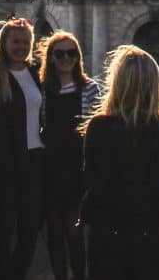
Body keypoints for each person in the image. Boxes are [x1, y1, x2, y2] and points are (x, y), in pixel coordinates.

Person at [80, 44, 159, 280]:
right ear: (155, 83)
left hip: (108, 229)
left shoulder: (99, 127)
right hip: (152, 227)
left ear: (117, 82)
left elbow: (93, 178)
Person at [0, 17, 45, 280]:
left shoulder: (36, 71)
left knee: (30, 228)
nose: (21, 47)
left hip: (34, 158)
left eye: (26, 42)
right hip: (4, 163)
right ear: (4, 42)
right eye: (16, 41)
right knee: (4, 230)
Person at [35, 30, 97, 280]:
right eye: (59, 54)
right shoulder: (41, 91)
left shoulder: (90, 89)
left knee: (74, 232)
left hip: (76, 169)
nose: (65, 58)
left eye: (71, 53)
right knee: (54, 232)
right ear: (50, 58)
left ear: (78, 57)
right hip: (48, 169)